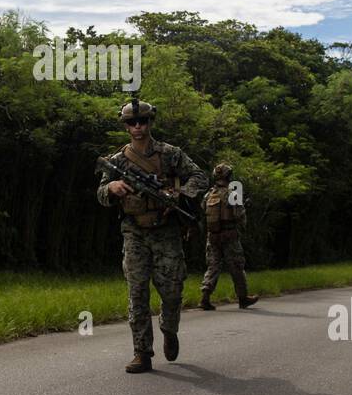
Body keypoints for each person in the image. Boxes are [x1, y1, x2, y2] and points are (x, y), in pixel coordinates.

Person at [97, 99, 208, 373]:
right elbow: (100, 195)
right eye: (131, 122)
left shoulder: (170, 154)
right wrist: (111, 187)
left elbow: (199, 177)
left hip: (166, 231)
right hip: (134, 231)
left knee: (172, 292)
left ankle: (169, 329)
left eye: (142, 121)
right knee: (137, 293)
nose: (137, 127)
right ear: (125, 126)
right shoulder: (117, 161)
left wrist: (178, 194)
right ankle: (142, 352)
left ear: (150, 122)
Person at [198, 163, 258, 310]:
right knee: (237, 266)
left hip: (212, 236)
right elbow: (240, 216)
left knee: (213, 267)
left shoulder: (208, 194)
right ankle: (243, 298)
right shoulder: (233, 194)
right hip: (230, 236)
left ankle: (205, 297)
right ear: (228, 177)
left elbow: (202, 211)